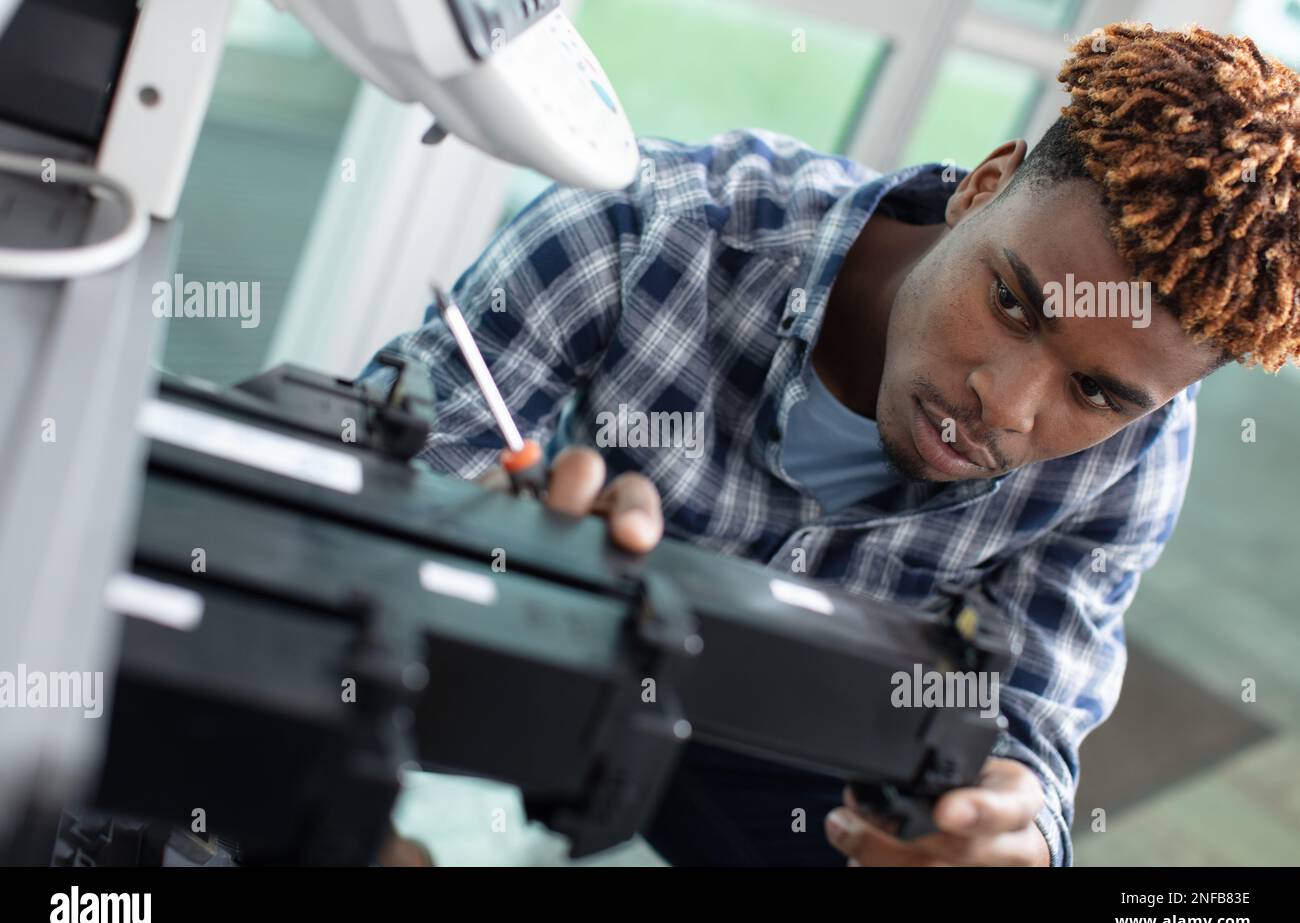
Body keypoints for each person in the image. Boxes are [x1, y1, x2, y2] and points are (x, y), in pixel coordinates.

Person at [360, 23, 1300, 866]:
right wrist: (480, 534)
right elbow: (349, 513)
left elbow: (1026, 730)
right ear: (981, 187)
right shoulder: (647, 229)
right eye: (1012, 301)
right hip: (540, 642)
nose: (1000, 406)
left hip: (795, 749)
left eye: (1093, 392)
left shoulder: (1133, 459)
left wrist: (1005, 831)